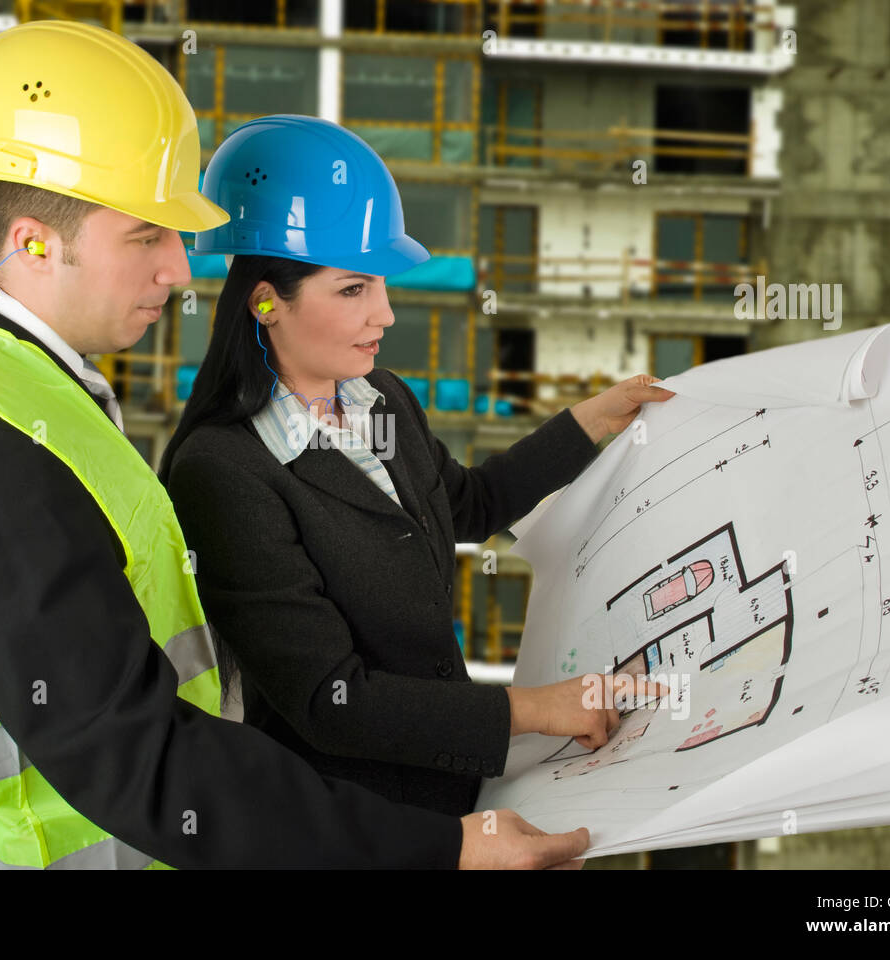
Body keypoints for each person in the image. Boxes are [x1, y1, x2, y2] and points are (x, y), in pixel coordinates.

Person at [0, 20, 590, 869]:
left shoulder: (14, 384)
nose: (179, 269)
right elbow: (145, 759)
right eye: (146, 237)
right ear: (32, 242)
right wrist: (439, 848)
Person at [160, 114, 674, 818]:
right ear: (266, 302)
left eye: (380, 284)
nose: (386, 314)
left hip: (447, 796)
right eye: (353, 290)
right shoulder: (224, 471)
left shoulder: (381, 400)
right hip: (347, 827)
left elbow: (470, 504)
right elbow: (331, 701)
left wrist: (592, 421)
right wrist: (535, 709)